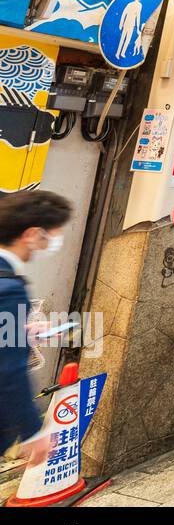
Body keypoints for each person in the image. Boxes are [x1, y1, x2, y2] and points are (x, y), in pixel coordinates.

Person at [0, 191, 72, 468]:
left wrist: (23, 332)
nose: (54, 242)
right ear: (32, 234)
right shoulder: (10, 290)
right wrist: (31, 431)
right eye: (53, 234)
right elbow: (7, 369)